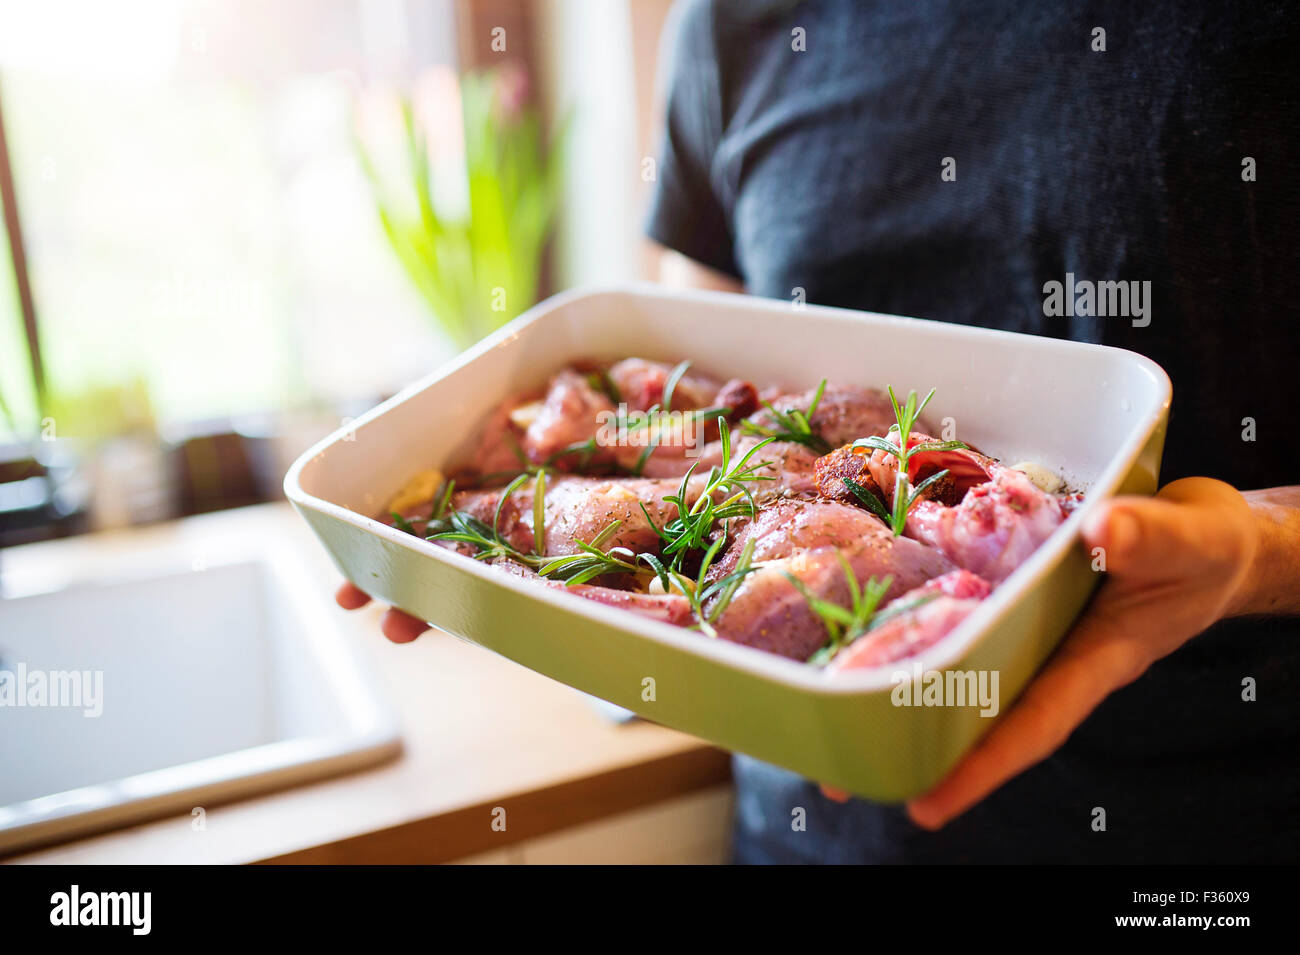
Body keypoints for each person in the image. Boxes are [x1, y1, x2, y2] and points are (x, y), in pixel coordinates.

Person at [337, 0, 1300, 863]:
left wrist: (1252, 550)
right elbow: (706, 386)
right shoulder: (733, 22)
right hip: (810, 824)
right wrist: (502, 543)